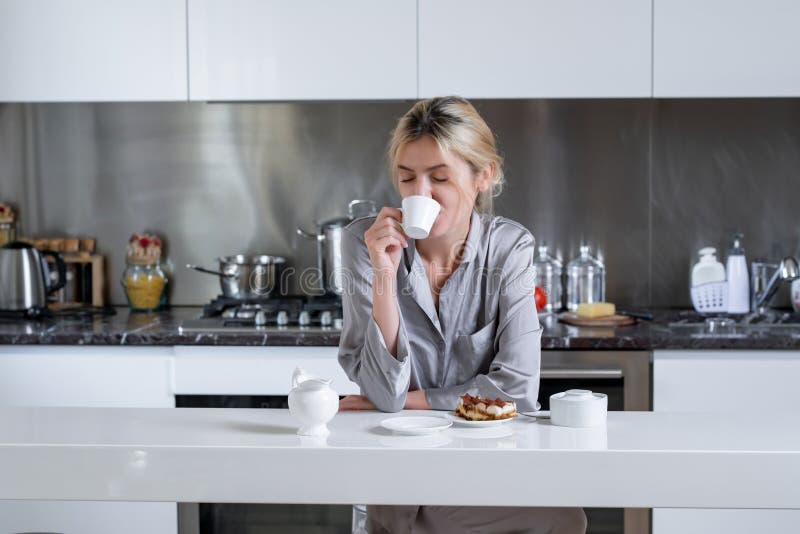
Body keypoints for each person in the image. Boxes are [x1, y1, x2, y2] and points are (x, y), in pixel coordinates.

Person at [337, 96, 587, 534]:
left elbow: (517, 391)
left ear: (482, 177)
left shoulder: (510, 249)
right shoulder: (366, 245)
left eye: (439, 178)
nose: (420, 194)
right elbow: (379, 388)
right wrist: (384, 274)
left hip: (486, 473)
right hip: (396, 477)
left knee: (564, 517)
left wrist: (407, 402)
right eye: (407, 178)